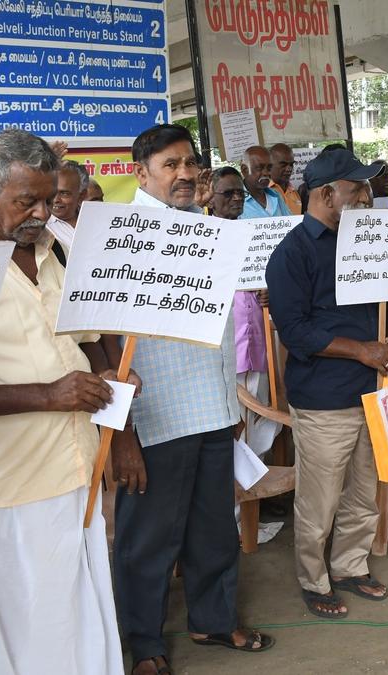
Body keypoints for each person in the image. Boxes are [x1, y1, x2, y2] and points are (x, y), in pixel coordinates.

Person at [0, 129, 125, 674]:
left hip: (75, 466)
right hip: (9, 478)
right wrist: (49, 395)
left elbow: (93, 344)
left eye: (49, 199)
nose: (41, 213)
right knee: (15, 622)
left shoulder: (61, 251)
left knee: (72, 608)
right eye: (26, 201)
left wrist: (111, 379)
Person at [116, 124, 272, 675]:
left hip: (211, 402)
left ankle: (212, 619)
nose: (184, 173)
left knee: (215, 528)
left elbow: (221, 326)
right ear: (142, 174)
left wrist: (230, 405)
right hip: (155, 415)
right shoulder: (122, 236)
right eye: (169, 165)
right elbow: (107, 342)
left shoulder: (208, 231)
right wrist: (122, 432)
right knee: (151, 538)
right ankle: (145, 643)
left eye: (189, 163)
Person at [266, 148, 388, 620]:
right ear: (326, 194)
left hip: (373, 390)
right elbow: (296, 330)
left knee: (365, 491)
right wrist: (362, 349)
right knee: (320, 500)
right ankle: (313, 578)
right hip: (325, 398)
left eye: (366, 187)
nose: (367, 196)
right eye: (357, 188)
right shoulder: (292, 252)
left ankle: (349, 566)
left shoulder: (364, 241)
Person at [212, 166, 281, 457]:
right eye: (228, 193)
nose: (236, 199)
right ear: (210, 199)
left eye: (239, 193)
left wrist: (271, 290)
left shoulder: (256, 235)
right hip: (226, 349)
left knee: (262, 417)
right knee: (231, 421)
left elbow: (275, 277)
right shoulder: (203, 236)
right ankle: (235, 500)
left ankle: (256, 490)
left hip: (259, 341)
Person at [241, 145, 291, 218]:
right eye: (259, 168)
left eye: (269, 168)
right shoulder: (235, 201)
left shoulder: (275, 195)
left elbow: (290, 223)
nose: (266, 173)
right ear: (245, 170)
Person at [52, 159, 90, 225]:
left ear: (82, 195)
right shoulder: (37, 227)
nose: (55, 200)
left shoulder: (96, 221)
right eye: (51, 192)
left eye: (64, 193)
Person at [269, 142, 303, 215]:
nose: (289, 169)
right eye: (283, 165)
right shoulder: (263, 192)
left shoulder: (294, 193)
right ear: (269, 165)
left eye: (291, 164)